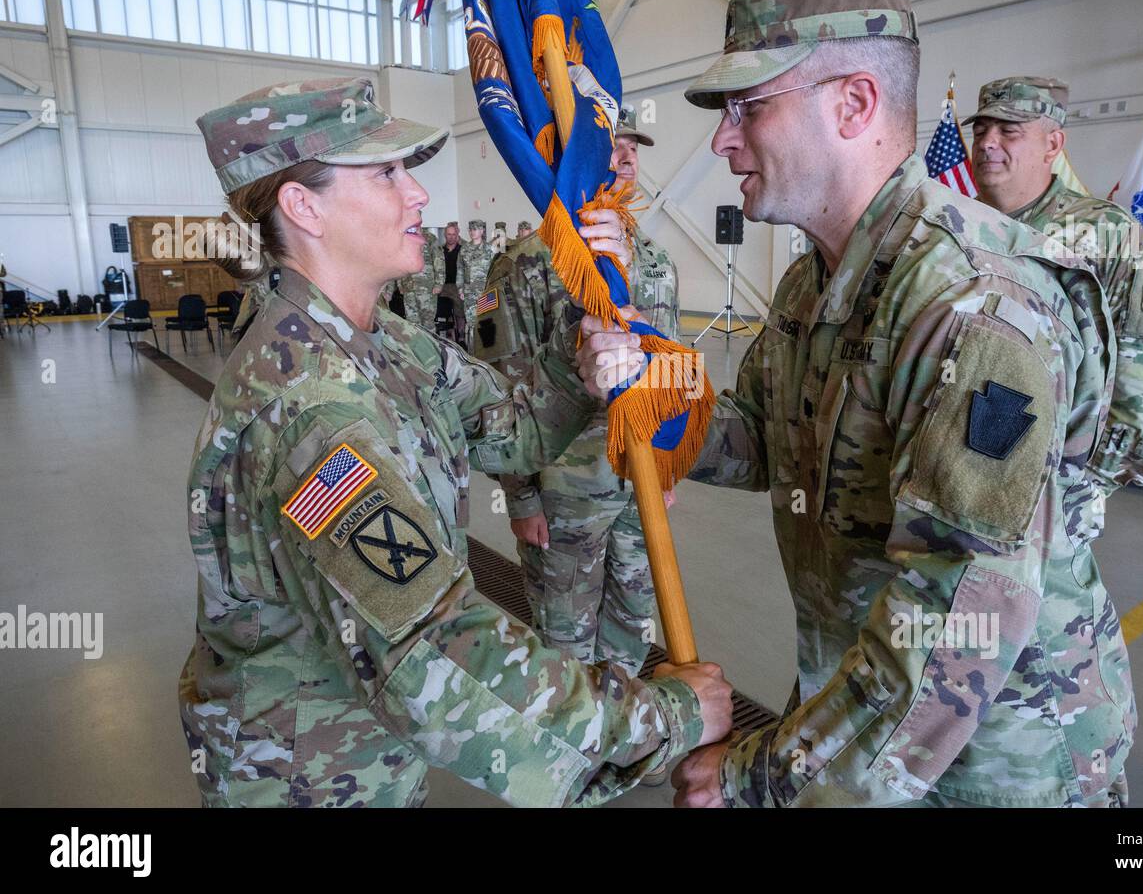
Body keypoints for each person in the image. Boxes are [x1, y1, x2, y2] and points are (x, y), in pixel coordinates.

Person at [612, 0, 1132, 808]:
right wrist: (653, 395)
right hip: (858, 706)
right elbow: (760, 444)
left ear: (853, 104)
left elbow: (957, 608)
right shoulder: (815, 279)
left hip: (994, 759)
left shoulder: (971, 301)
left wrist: (760, 776)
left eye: (749, 107)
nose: (721, 138)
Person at [180, 76, 732, 808]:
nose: (418, 195)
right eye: (385, 173)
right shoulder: (305, 409)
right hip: (304, 781)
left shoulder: (386, 342)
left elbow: (511, 428)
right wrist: (666, 716)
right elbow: (436, 660)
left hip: (364, 756)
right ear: (302, 206)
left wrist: (586, 367)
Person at [475, 106, 678, 675]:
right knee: (566, 648)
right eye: (611, 143)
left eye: (634, 145)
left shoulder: (657, 264)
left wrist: (666, 467)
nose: (627, 156)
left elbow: (669, 372)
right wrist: (520, 500)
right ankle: (578, 759)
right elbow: (502, 393)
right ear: (574, 158)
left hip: (638, 482)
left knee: (635, 627)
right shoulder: (528, 265)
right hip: (564, 493)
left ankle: (630, 751)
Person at [968, 76, 1143, 492]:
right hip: (961, 451)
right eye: (980, 130)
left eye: (1009, 131)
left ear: (1053, 145)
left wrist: (1098, 480)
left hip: (1054, 469)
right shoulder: (958, 225)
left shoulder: (1108, 234)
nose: (988, 142)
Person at [461, 219, 495, 347]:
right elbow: (460, 270)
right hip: (469, 292)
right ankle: (471, 351)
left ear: (482, 231)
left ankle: (487, 351)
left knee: (486, 320)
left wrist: (492, 288)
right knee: (470, 322)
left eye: (474, 229)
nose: (472, 232)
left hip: (485, 291)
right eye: (470, 230)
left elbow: (495, 269)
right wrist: (460, 288)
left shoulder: (489, 249)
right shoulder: (464, 249)